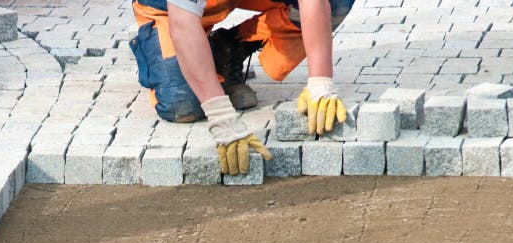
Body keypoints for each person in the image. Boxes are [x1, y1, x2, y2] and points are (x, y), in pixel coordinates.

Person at [130, 0, 354, 175]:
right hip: (170, 11)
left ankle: (229, 46)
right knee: (183, 104)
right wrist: (220, 114)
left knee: (338, 2)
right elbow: (182, 25)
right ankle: (192, 60)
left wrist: (321, 82)